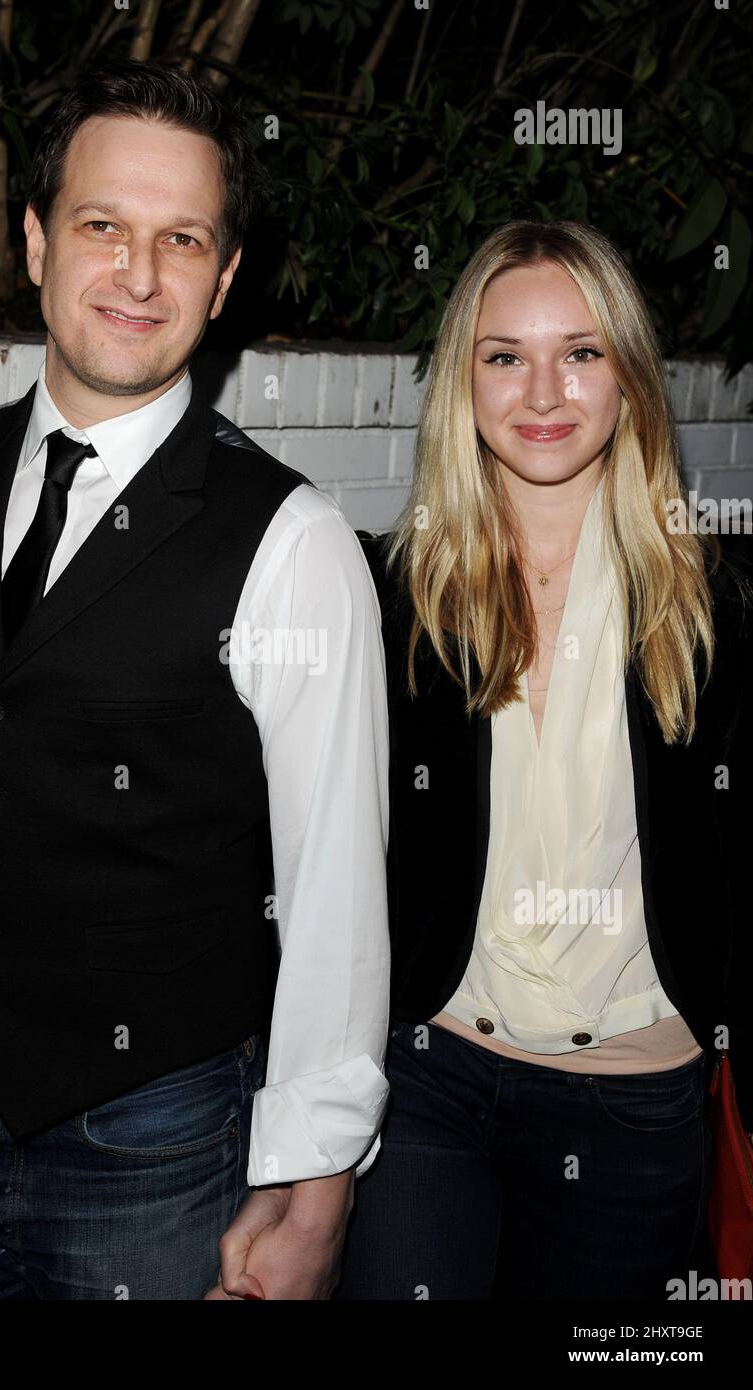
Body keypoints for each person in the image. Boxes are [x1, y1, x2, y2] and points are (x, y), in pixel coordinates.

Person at [0, 58, 391, 1301]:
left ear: (224, 280)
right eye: (102, 225)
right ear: (35, 239)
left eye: (182, 240)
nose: (137, 274)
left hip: (152, 1143)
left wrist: (317, 1178)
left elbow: (335, 882)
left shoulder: (294, 542)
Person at [337, 219, 752, 1300]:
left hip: (635, 1091)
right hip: (430, 1076)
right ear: (463, 384)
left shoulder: (717, 601)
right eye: (505, 356)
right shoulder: (391, 594)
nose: (543, 393)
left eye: (581, 352)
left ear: (629, 375)